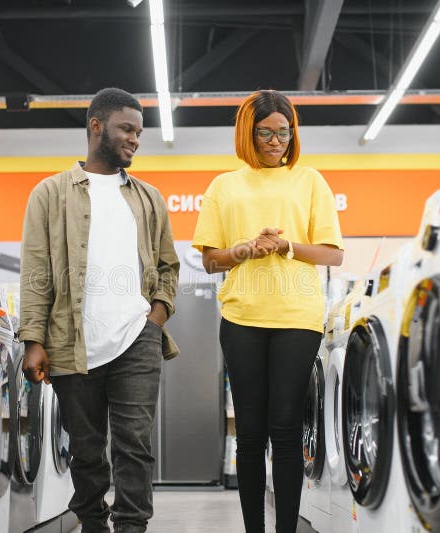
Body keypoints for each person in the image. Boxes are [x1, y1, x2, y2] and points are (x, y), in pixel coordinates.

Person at [19, 87, 179, 533]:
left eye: (139, 132)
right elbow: (36, 269)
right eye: (126, 128)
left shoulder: (149, 198)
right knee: (87, 448)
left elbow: (169, 265)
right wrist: (33, 340)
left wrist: (156, 320)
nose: (135, 140)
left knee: (135, 445)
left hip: (137, 339)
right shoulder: (50, 193)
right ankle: (93, 524)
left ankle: (132, 527)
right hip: (72, 340)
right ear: (96, 126)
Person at [192, 89, 344, 533]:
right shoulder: (225, 186)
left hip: (297, 318)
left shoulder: (311, 180)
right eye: (265, 132)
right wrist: (243, 250)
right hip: (242, 318)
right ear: (249, 133)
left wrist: (287, 245)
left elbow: (332, 254)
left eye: (283, 131)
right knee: (252, 434)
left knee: (286, 430)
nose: (276, 140)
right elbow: (210, 259)